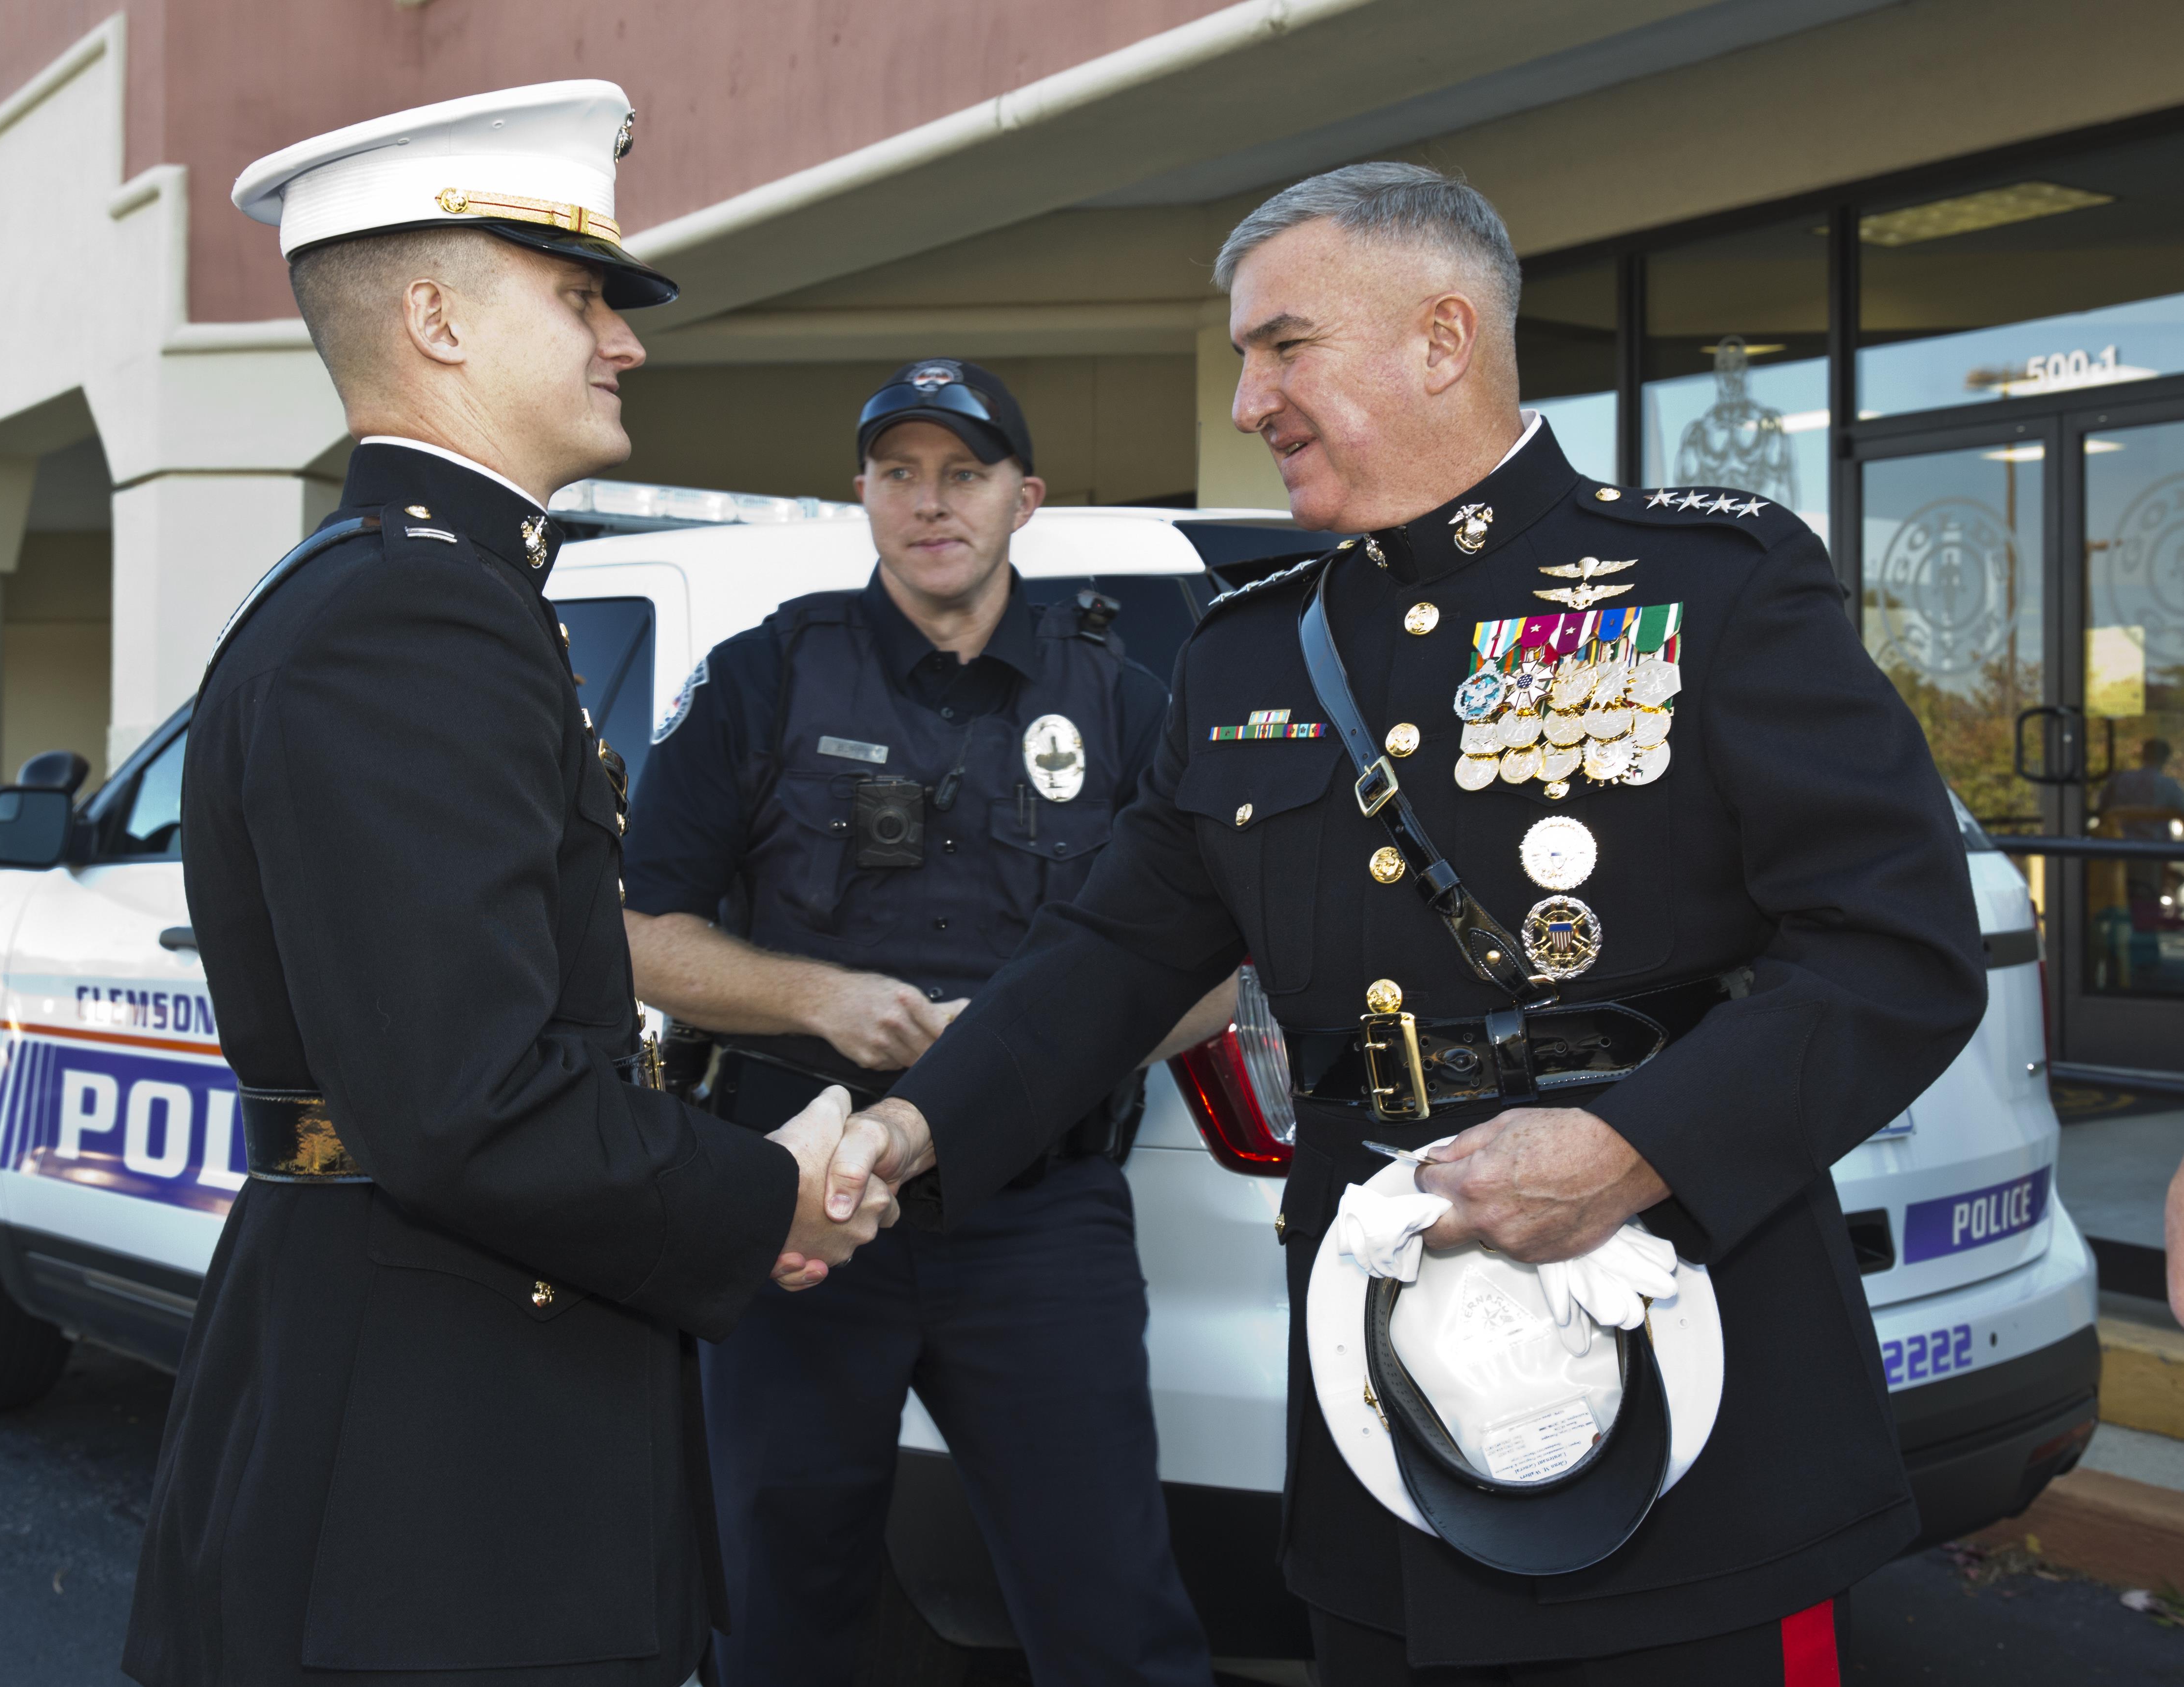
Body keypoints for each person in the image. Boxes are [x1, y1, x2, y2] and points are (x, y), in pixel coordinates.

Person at [823, 163, 1989, 1683]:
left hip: (1686, 1373)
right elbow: (1110, 957)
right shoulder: (1251, 658)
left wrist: (1633, 1155)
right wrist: (908, 1137)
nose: (1249, 401)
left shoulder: (1711, 582)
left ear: (1442, 339)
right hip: (1381, 1403)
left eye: (1282, 347)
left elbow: (1895, 951)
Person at [124, 83, 888, 1687]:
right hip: (436, 1479)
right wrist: (771, 1197)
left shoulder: (424, 594)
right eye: (578, 296)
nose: (627, 343)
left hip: (441, 1393)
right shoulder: (421, 617)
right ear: (435, 322)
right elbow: (472, 1101)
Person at [621, 359, 1232, 1686]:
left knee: (1112, 1612)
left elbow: (1211, 970)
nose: (930, 502)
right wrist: (822, 999)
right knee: (782, 1608)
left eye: (965, 472)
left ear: (1028, 498)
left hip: (1036, 1216)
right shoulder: (767, 677)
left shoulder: (1124, 701)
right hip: (798, 1210)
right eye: (899, 472)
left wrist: (1025, 1058)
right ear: (862, 494)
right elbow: (638, 935)